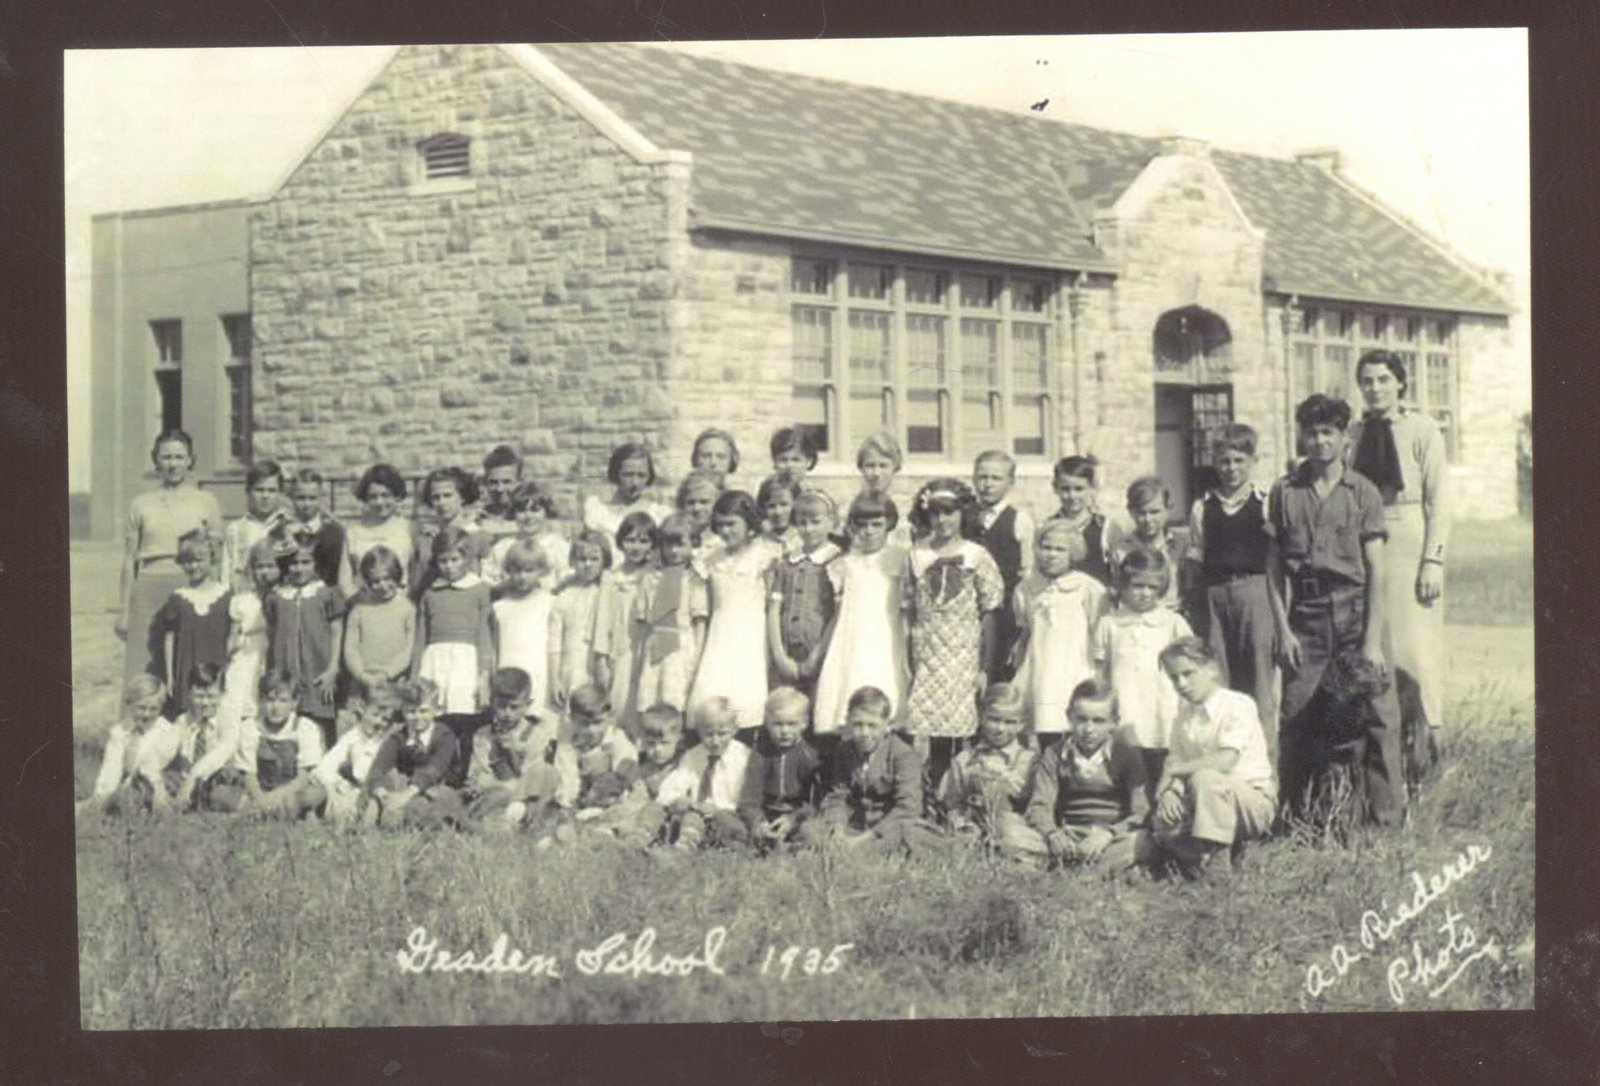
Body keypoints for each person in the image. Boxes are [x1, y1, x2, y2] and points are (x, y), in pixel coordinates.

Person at [1269, 393, 1405, 826]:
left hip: (1356, 614)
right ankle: (1297, 816)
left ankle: (1384, 818)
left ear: (1344, 438)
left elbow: (1377, 571)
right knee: (1296, 713)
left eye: (1328, 432)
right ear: (1301, 436)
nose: (1319, 441)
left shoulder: (1362, 492)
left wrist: (1371, 642)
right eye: (1311, 432)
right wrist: (1283, 630)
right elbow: (1273, 570)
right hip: (1306, 617)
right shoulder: (1284, 492)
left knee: (1379, 715)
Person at [1350, 349, 1449, 776]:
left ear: (1400, 384)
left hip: (1409, 533)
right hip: (1365, 539)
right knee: (1375, 642)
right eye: (1367, 381)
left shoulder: (1423, 429)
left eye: (1383, 380)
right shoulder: (1352, 433)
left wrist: (1433, 560)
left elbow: (1439, 499)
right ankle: (1381, 753)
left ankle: (1430, 754)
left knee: (1416, 650)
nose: (1374, 388)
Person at [903, 478, 1005, 792]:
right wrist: (909, 659)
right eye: (935, 513)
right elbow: (909, 610)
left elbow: (990, 611)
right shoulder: (917, 555)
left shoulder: (976, 555)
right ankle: (933, 794)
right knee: (931, 730)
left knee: (961, 728)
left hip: (963, 649)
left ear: (963, 514)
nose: (942, 520)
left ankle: (962, 796)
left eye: (949, 512)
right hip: (928, 648)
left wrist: (984, 667)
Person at [1182, 424, 1278, 754]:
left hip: (1255, 594)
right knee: (1218, 680)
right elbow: (1196, 557)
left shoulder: (1264, 502)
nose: (1231, 469)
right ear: (1214, 463)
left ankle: (1266, 766)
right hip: (1215, 596)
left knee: (1260, 682)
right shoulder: (1202, 508)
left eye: (1238, 460)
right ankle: (1222, 757)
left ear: (1253, 461)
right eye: (1224, 462)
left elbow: (1277, 558)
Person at [1150, 638, 1276, 877]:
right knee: (1162, 820)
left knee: (1206, 779)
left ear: (1212, 669)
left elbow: (1225, 760)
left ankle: (1217, 866)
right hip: (1207, 802)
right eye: (1174, 677)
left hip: (1251, 803)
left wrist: (1176, 773)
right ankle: (1206, 860)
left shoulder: (1237, 704)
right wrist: (1168, 792)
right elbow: (1174, 762)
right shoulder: (1183, 718)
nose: (1182, 683)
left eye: (1188, 673)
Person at [117, 430, 224, 684]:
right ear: (156, 460)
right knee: (143, 663)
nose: (173, 464)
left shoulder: (205, 501)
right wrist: (123, 612)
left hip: (191, 586)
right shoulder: (140, 504)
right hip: (149, 587)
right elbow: (129, 560)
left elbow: (217, 557)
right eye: (166, 457)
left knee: (189, 660)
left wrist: (213, 598)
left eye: (179, 457)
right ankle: (139, 721)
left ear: (190, 460)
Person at [1020, 678, 1152, 872]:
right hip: (1069, 834)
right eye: (1081, 719)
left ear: (1114, 723)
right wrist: (1053, 834)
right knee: (1014, 835)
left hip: (1110, 837)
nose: (1089, 730)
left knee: (1142, 842)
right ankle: (1093, 866)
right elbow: (1041, 804)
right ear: (1069, 717)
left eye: (1098, 721)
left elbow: (1141, 811)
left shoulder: (1126, 754)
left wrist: (1108, 834)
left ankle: (1072, 867)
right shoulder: (1055, 753)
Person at [1093, 549, 1193, 797]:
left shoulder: (1173, 623)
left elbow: (1190, 667)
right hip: (1126, 708)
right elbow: (1100, 671)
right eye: (1137, 585)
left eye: (1152, 586)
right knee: (1129, 767)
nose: (1144, 593)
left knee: (1161, 765)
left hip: (1161, 710)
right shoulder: (1110, 624)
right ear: (1123, 585)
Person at [812, 493, 911, 737]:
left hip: (886, 637)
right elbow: (837, 612)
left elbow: (907, 607)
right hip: (853, 638)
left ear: (889, 524)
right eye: (862, 524)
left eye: (876, 524)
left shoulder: (900, 558)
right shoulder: (844, 564)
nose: (869, 531)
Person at [687, 491, 782, 733]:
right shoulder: (710, 559)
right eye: (720, 525)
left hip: (752, 633)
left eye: (732, 524)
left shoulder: (765, 555)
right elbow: (703, 607)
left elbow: (774, 602)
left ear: (749, 523)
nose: (725, 531)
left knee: (748, 696)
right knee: (714, 690)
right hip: (720, 634)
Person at [1011, 520, 1108, 747]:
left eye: (1060, 549)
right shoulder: (1026, 588)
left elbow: (1100, 631)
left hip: (1075, 666)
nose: (1051, 555)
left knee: (1075, 727)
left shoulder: (1087, 588)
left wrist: (1099, 673)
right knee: (1046, 727)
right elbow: (1026, 631)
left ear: (1073, 553)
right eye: (1046, 547)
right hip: (1042, 668)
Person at [411, 525, 494, 782]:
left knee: (464, 721)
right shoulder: (430, 593)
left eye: (454, 559)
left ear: (467, 559)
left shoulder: (479, 590)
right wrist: (415, 675)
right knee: (438, 721)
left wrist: (483, 676)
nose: (448, 566)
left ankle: (464, 775)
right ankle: (437, 774)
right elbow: (421, 637)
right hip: (435, 662)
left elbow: (484, 635)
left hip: (465, 663)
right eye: (443, 560)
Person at [819, 686, 937, 856]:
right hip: (857, 823)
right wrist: (837, 829)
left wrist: (865, 839)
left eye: (872, 726)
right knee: (810, 830)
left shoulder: (902, 753)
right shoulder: (845, 749)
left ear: (887, 726)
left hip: (888, 827)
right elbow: (838, 795)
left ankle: (863, 849)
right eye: (857, 725)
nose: (864, 733)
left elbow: (908, 807)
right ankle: (851, 847)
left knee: (911, 834)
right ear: (848, 722)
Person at [464, 668, 577, 829]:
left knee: (545, 776)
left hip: (528, 797)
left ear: (528, 704)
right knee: (490, 800)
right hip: (497, 796)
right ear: (491, 702)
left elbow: (538, 777)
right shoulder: (483, 735)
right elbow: (479, 775)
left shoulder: (538, 733)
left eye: (514, 707)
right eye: (502, 707)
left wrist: (518, 753)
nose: (507, 714)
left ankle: (528, 822)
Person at [264, 530, 347, 749]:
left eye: (305, 562)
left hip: (318, 669)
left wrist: (332, 669)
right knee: (289, 723)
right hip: (287, 669)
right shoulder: (277, 596)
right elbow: (271, 634)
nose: (299, 569)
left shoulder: (326, 594)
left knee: (320, 723)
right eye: (293, 564)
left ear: (315, 563)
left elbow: (337, 631)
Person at [938, 683, 1038, 856]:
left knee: (1013, 837)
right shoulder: (966, 758)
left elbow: (1034, 803)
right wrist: (958, 818)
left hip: (1014, 826)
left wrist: (1005, 776)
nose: (1000, 728)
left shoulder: (1029, 760)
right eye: (994, 719)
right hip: (974, 823)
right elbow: (953, 800)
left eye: (1009, 722)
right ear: (982, 718)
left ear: (1022, 724)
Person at [766, 488, 842, 705]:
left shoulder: (836, 560)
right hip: (787, 655)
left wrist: (816, 656)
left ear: (831, 522)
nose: (808, 529)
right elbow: (774, 609)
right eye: (802, 523)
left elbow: (837, 615)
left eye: (815, 522)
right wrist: (779, 655)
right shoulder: (787, 562)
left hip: (820, 653)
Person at [356, 677, 464, 829]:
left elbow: (434, 771)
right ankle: (381, 811)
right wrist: (382, 794)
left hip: (440, 786)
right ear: (402, 711)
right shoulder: (398, 737)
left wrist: (406, 796)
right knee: (379, 786)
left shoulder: (444, 735)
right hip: (406, 788)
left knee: (429, 802)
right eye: (411, 712)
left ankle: (404, 818)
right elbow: (378, 768)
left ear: (436, 710)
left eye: (423, 711)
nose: (417, 717)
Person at [629, 514, 709, 718]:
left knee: (674, 699)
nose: (674, 552)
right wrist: (639, 657)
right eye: (668, 545)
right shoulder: (651, 578)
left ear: (692, 545)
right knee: (650, 699)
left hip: (681, 647)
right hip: (654, 647)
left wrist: (697, 658)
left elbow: (699, 623)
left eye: (680, 545)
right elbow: (642, 625)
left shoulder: (694, 580)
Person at [135, 664, 242, 813]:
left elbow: (221, 752)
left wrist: (193, 777)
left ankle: (200, 802)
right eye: (199, 696)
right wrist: (157, 785)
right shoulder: (184, 721)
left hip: (217, 778)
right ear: (189, 695)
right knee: (149, 785)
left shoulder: (229, 719)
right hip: (186, 782)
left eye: (211, 696)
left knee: (222, 794)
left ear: (223, 694)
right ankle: (173, 802)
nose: (205, 703)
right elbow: (161, 753)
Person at [149, 529, 232, 719]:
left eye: (199, 560)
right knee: (188, 714)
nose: (193, 566)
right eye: (187, 561)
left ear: (211, 560)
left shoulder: (225, 595)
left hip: (217, 663)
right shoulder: (179, 598)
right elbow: (169, 638)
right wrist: (170, 676)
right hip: (187, 665)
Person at [658, 696, 753, 850]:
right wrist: (677, 800)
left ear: (735, 730)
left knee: (726, 825)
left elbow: (747, 799)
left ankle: (721, 843)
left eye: (722, 734)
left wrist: (718, 810)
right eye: (709, 734)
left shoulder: (743, 757)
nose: (715, 741)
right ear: (699, 732)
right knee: (687, 818)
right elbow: (671, 786)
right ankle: (680, 849)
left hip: (728, 814)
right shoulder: (693, 756)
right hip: (696, 815)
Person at [737, 687, 825, 852]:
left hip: (796, 816)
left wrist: (793, 819)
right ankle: (768, 842)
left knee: (811, 831)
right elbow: (749, 798)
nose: (784, 731)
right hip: (766, 814)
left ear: (804, 723)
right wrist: (758, 821)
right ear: (767, 723)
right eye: (778, 724)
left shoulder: (809, 756)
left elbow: (815, 802)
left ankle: (790, 847)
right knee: (737, 827)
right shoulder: (761, 753)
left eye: (792, 724)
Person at [972, 450, 1035, 680]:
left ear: (1010, 482)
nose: (987, 484)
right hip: (971, 610)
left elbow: (1027, 571)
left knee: (1001, 674)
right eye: (982, 477)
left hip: (1006, 611)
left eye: (995, 478)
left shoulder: (1019, 520)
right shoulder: (966, 517)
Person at [592, 512, 657, 735]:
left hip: (646, 650)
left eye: (643, 541)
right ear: (620, 542)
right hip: (621, 652)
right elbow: (602, 620)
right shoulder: (611, 577)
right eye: (630, 540)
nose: (636, 547)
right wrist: (601, 658)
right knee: (619, 703)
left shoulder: (654, 575)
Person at [232, 671, 328, 818]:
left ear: (294, 703)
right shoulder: (251, 727)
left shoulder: (304, 727)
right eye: (270, 700)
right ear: (261, 701)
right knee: (220, 793)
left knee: (315, 793)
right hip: (261, 789)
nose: (275, 707)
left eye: (283, 701)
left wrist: (272, 798)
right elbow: (249, 774)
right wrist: (260, 799)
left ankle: (279, 809)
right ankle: (276, 811)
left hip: (293, 791)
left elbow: (303, 778)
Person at [218, 539, 282, 737]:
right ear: (252, 570)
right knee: (240, 699)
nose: (264, 572)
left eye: (270, 566)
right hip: (247, 653)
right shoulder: (242, 599)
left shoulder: (282, 596)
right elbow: (234, 632)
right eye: (259, 567)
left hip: (270, 650)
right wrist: (228, 658)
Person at [82, 675, 171, 816]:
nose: (147, 714)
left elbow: (155, 768)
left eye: (154, 709)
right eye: (142, 708)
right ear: (130, 704)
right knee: (101, 804)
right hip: (126, 786)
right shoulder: (119, 732)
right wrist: (102, 795)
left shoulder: (165, 731)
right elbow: (110, 768)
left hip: (155, 786)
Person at [314, 682, 400, 825]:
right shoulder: (353, 737)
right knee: (337, 801)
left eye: (386, 720)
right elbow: (326, 766)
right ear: (362, 708)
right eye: (375, 715)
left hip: (379, 790)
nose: (379, 722)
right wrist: (337, 784)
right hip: (354, 789)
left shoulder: (389, 741)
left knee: (377, 805)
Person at [488, 540, 555, 718]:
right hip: (508, 669)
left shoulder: (550, 602)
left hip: (540, 672)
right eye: (516, 570)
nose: (522, 576)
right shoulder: (500, 606)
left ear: (541, 571)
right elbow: (495, 647)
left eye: (529, 570)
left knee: (537, 720)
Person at [342, 545, 416, 700]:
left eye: (387, 578)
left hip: (396, 681)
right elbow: (350, 649)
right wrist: (362, 676)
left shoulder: (407, 609)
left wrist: (387, 674)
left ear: (397, 576)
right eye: (375, 581)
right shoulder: (359, 610)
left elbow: (408, 650)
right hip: (361, 682)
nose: (382, 585)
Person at [1106, 476, 1188, 614]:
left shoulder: (1181, 545)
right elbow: (1116, 591)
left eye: (1154, 512)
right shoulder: (1121, 550)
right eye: (1141, 513)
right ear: (1131, 511)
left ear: (1168, 509)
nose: (1148, 519)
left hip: (1171, 617)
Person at [548, 529, 609, 711]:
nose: (588, 565)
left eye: (594, 559)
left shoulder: (608, 592)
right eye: (582, 559)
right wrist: (554, 680)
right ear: (573, 561)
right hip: (572, 667)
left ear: (604, 561)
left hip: (601, 667)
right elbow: (554, 642)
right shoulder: (563, 596)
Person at [340, 464, 418, 599]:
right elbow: (345, 582)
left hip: (401, 605)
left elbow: (416, 575)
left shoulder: (411, 528)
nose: (379, 502)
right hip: (364, 606)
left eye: (385, 495)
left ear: (397, 496)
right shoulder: (353, 532)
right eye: (373, 496)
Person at [481, 481, 568, 589]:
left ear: (546, 512)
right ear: (514, 513)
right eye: (522, 511)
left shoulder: (559, 547)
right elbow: (488, 583)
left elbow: (566, 585)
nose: (528, 517)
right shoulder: (503, 548)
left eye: (535, 510)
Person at [414, 467, 486, 594]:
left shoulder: (477, 534)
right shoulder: (427, 537)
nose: (442, 502)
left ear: (462, 497)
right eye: (436, 497)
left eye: (448, 495)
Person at [221, 460, 290, 592]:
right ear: (248, 491)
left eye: (271, 491)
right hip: (245, 601)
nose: (265, 496)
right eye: (259, 490)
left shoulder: (288, 527)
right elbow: (226, 575)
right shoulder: (235, 530)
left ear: (280, 493)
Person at [1044, 455, 1110, 585]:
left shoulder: (1105, 528)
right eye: (1065, 489)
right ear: (1055, 488)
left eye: (1079, 489)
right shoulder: (1047, 527)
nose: (1072, 496)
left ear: (1092, 488)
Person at [585, 443, 671, 540]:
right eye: (628, 475)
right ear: (616, 474)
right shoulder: (599, 514)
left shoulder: (658, 514)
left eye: (641, 475)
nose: (635, 482)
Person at [285, 468, 346, 588]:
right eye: (301, 498)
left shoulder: (335, 534)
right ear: (291, 498)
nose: (306, 504)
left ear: (320, 498)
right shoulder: (282, 533)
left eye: (312, 498)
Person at [852, 430, 912, 549]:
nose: (876, 473)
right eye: (870, 466)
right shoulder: (853, 506)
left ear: (895, 467)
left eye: (883, 466)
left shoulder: (908, 507)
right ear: (861, 468)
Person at [674, 471, 725, 565]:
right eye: (691, 502)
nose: (697, 508)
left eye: (704, 502)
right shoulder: (677, 535)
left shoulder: (724, 540)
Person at [478, 444, 524, 543]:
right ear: (485, 483)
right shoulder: (477, 522)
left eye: (507, 482)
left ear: (519, 482)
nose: (500, 489)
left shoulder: (529, 520)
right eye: (493, 482)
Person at [755, 475, 801, 554]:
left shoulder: (803, 539)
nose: (778, 512)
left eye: (784, 505)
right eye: (771, 506)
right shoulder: (759, 542)